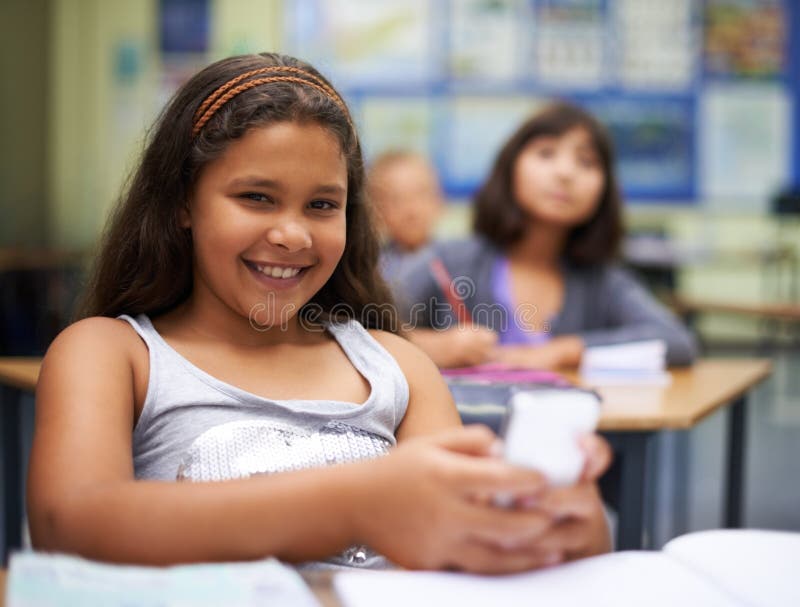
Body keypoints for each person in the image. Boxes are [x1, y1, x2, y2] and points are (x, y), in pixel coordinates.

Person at [27, 54, 612, 573]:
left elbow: (464, 546)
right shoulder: (109, 352)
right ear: (183, 202)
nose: (291, 234)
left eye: (322, 205)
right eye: (256, 197)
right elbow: (70, 525)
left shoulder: (396, 365)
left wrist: (563, 516)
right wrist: (358, 500)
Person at [396, 101, 697, 369]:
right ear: (510, 168)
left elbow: (678, 343)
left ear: (605, 189)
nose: (565, 173)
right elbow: (357, 326)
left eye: (586, 161)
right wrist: (434, 346)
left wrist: (565, 351)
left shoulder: (602, 281)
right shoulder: (450, 262)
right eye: (546, 153)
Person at [366, 150, 444, 280]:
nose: (412, 210)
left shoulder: (457, 263)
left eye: (421, 194)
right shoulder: (373, 270)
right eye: (397, 200)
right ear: (376, 211)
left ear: (439, 199)